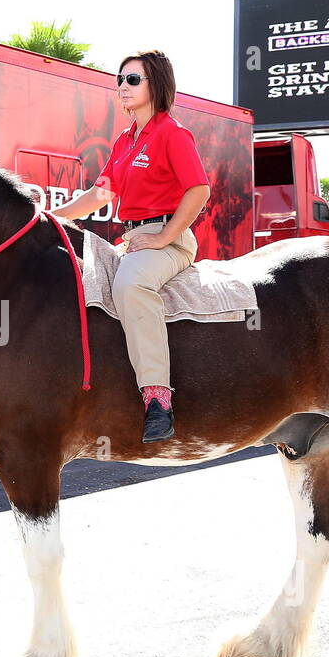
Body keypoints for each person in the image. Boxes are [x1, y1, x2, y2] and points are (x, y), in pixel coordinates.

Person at [54, 50, 211, 442]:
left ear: (155, 84)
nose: (122, 86)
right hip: (135, 239)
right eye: (119, 79)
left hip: (168, 240)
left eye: (132, 80)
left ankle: (159, 398)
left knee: (131, 286)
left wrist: (163, 237)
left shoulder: (172, 133)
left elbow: (199, 190)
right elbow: (100, 193)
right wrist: (50, 217)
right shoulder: (125, 140)